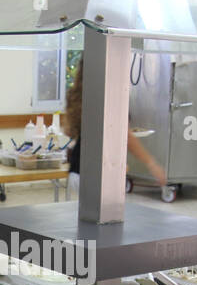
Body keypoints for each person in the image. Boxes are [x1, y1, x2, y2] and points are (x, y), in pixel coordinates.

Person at [61, 58, 167, 194]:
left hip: (77, 171)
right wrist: (151, 163)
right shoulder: (109, 95)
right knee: (108, 214)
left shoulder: (78, 93)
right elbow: (125, 135)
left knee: (90, 214)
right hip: (99, 173)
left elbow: (70, 131)